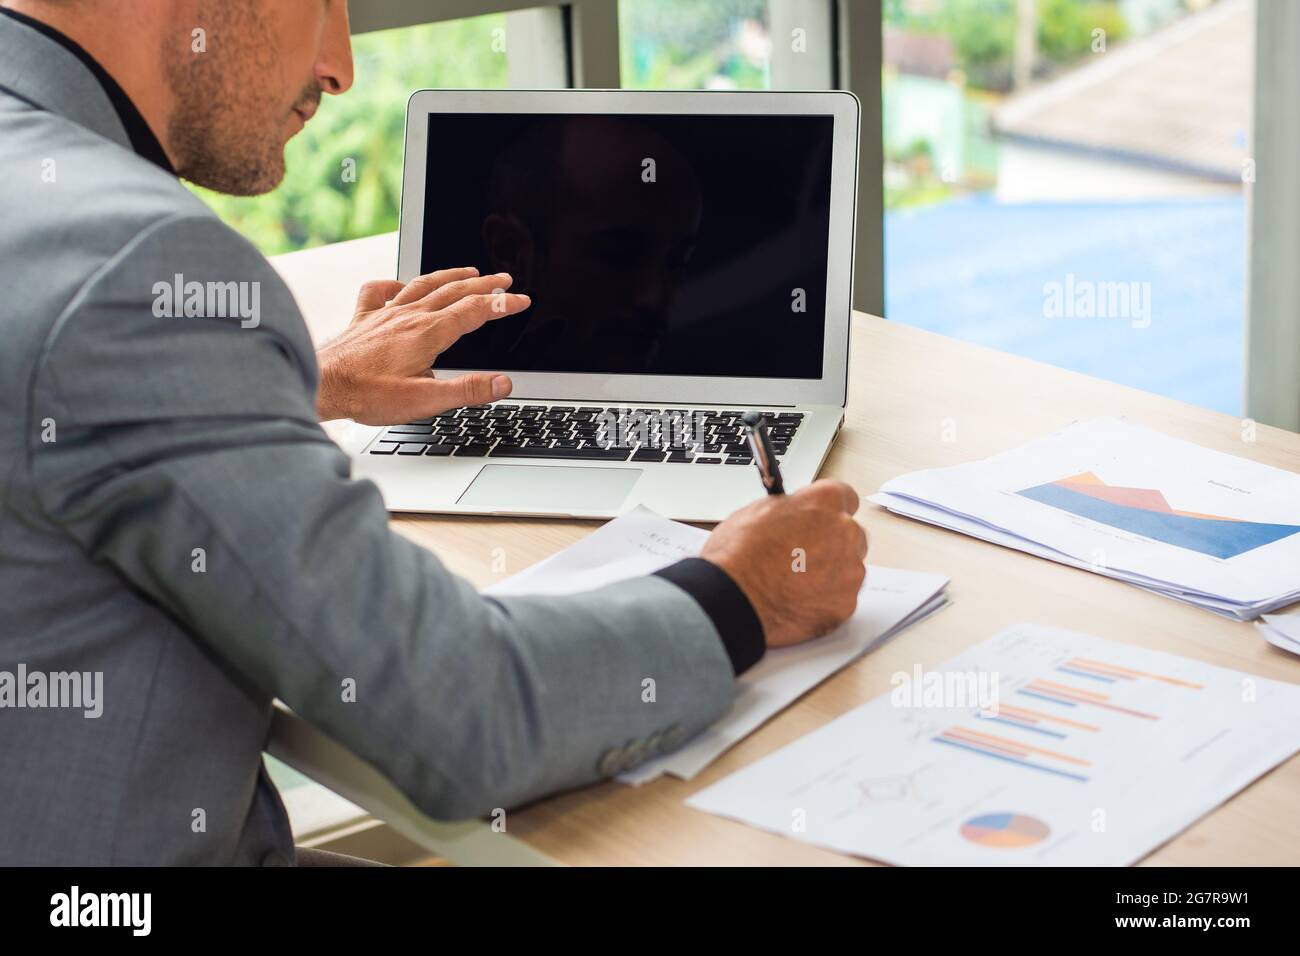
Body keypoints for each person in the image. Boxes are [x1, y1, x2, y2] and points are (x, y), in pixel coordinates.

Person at [0, 0, 868, 865]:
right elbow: (465, 715)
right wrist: (741, 597)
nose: (339, 66)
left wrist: (294, 386)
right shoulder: (136, 265)